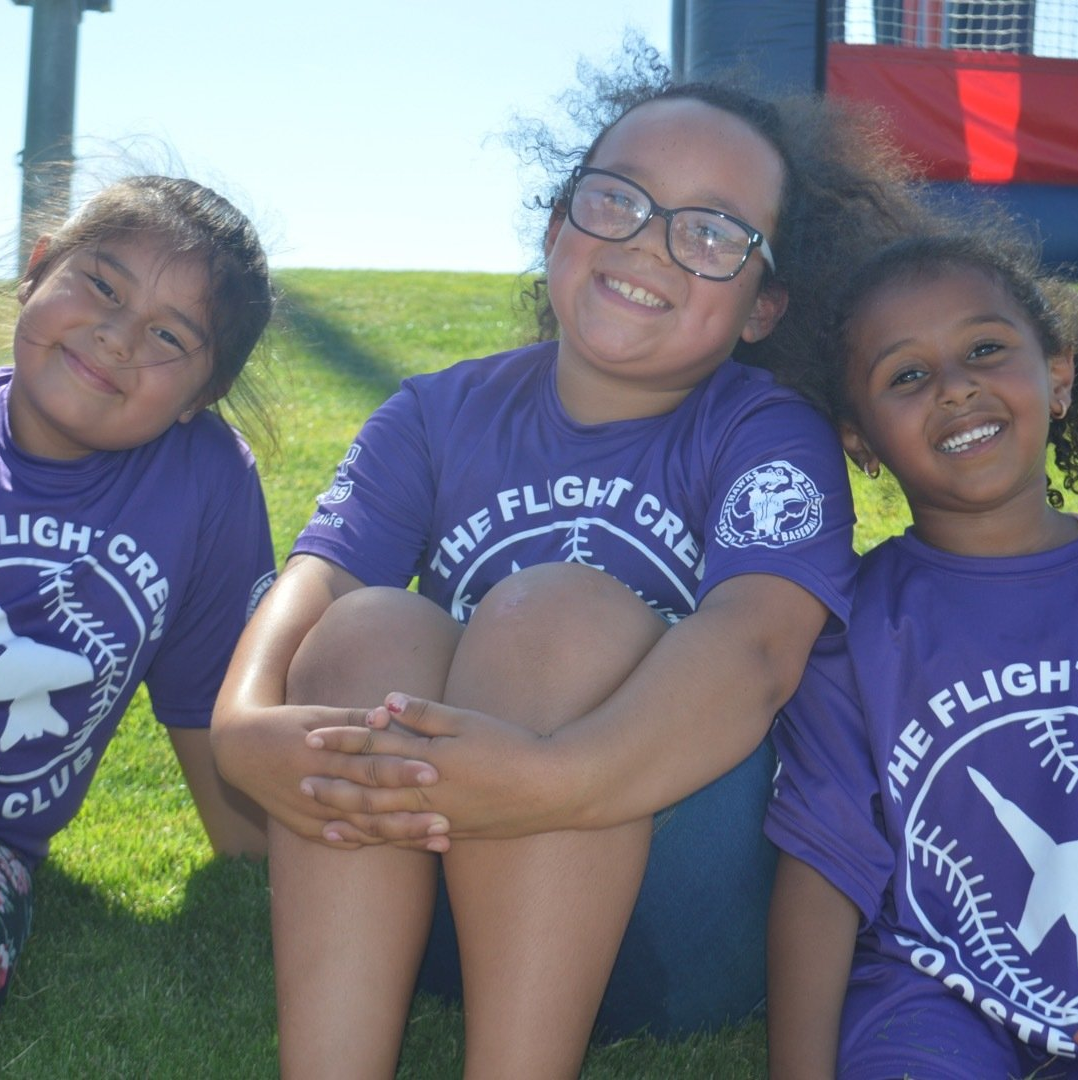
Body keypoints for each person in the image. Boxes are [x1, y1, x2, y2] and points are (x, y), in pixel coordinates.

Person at [211, 49, 929, 1079]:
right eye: (618, 200)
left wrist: (555, 778)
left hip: (678, 915)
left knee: (552, 614)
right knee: (371, 627)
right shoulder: (435, 412)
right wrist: (242, 728)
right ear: (558, 227)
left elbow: (756, 649)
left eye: (716, 231)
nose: (654, 244)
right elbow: (314, 588)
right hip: (447, 899)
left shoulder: (764, 431)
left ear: (765, 305)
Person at [765, 228, 1078, 1078]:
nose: (955, 388)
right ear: (860, 439)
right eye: (907, 376)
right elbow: (824, 865)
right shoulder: (856, 623)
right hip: (932, 992)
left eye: (985, 348)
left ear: (1058, 377)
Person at [0, 175, 276, 1009]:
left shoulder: (206, 485)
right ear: (39, 269)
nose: (117, 337)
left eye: (167, 335)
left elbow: (214, 721)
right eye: (102, 286)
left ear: (204, 393)